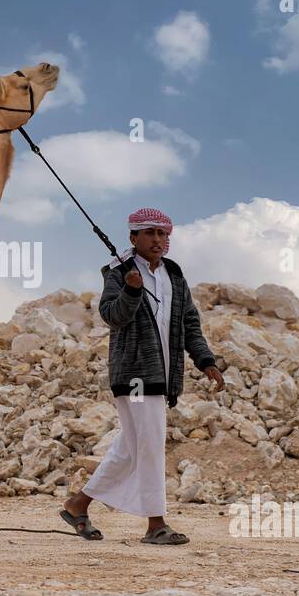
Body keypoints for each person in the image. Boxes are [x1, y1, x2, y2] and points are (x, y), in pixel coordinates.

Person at [61, 207, 225, 545]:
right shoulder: (118, 272)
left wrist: (205, 359)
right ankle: (155, 525)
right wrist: (132, 291)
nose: (158, 240)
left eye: (163, 234)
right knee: (151, 445)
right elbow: (112, 316)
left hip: (163, 375)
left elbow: (189, 322)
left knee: (131, 448)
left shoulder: (174, 274)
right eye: (150, 233)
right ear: (133, 237)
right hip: (135, 375)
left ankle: (78, 504)